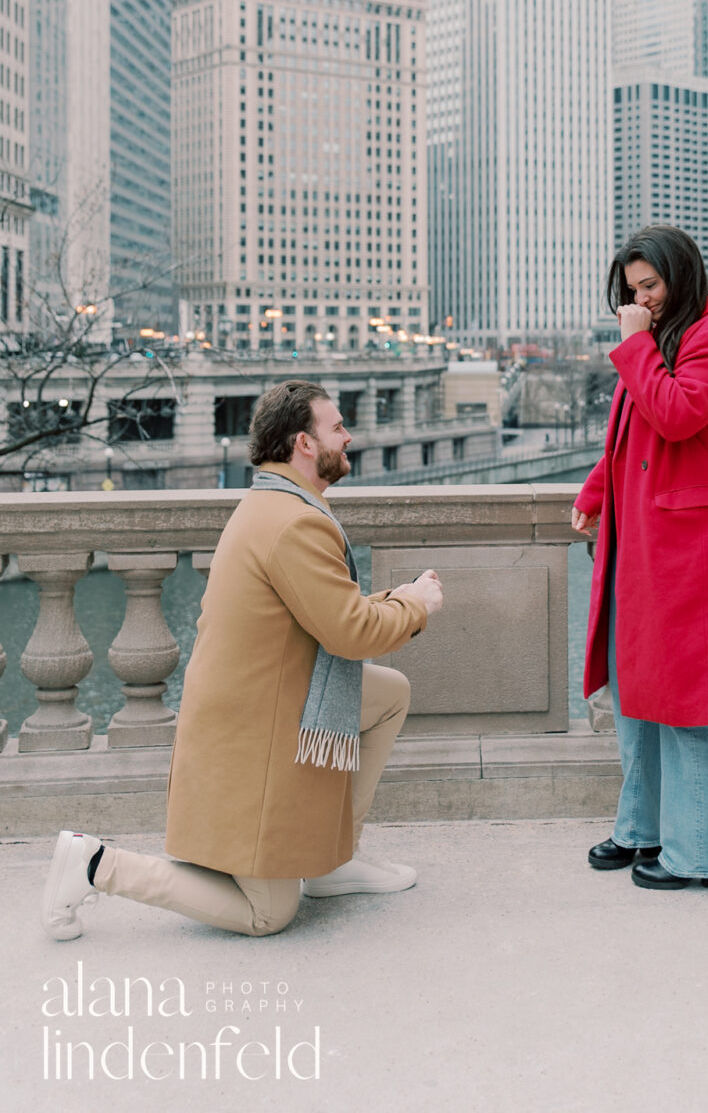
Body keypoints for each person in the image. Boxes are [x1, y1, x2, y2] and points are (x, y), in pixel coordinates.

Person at [41, 380, 443, 940]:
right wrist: (414, 605)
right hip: (254, 736)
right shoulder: (296, 521)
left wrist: (397, 600)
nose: (348, 436)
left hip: (258, 708)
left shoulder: (272, 503)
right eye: (337, 427)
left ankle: (332, 859)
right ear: (304, 443)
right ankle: (94, 864)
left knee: (387, 693)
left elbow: (329, 614)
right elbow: (350, 633)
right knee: (267, 915)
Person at [571, 225, 708, 890]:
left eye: (651, 286)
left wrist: (634, 344)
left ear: (681, 275)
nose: (642, 300)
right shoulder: (665, 338)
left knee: (694, 697)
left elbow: (679, 415)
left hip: (693, 543)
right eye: (633, 291)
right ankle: (644, 830)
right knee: (639, 686)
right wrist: (598, 487)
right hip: (645, 535)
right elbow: (630, 431)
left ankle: (701, 856)